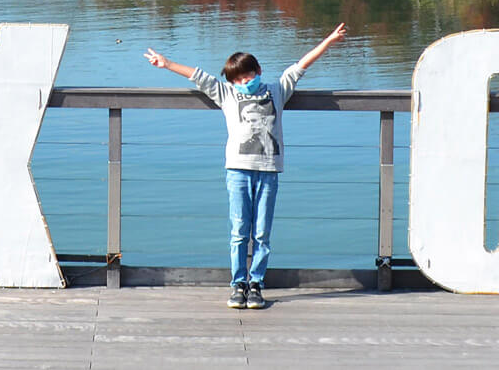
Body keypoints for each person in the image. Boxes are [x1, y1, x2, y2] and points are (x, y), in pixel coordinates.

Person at [144, 23, 348, 310]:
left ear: (258, 72)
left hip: (269, 170)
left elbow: (302, 64)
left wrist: (327, 40)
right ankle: (238, 284)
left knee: (262, 232)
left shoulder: (277, 90)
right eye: (237, 79)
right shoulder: (227, 94)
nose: (243, 82)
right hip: (238, 170)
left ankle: (256, 284)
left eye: (248, 76)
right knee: (240, 230)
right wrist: (166, 64)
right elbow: (198, 76)